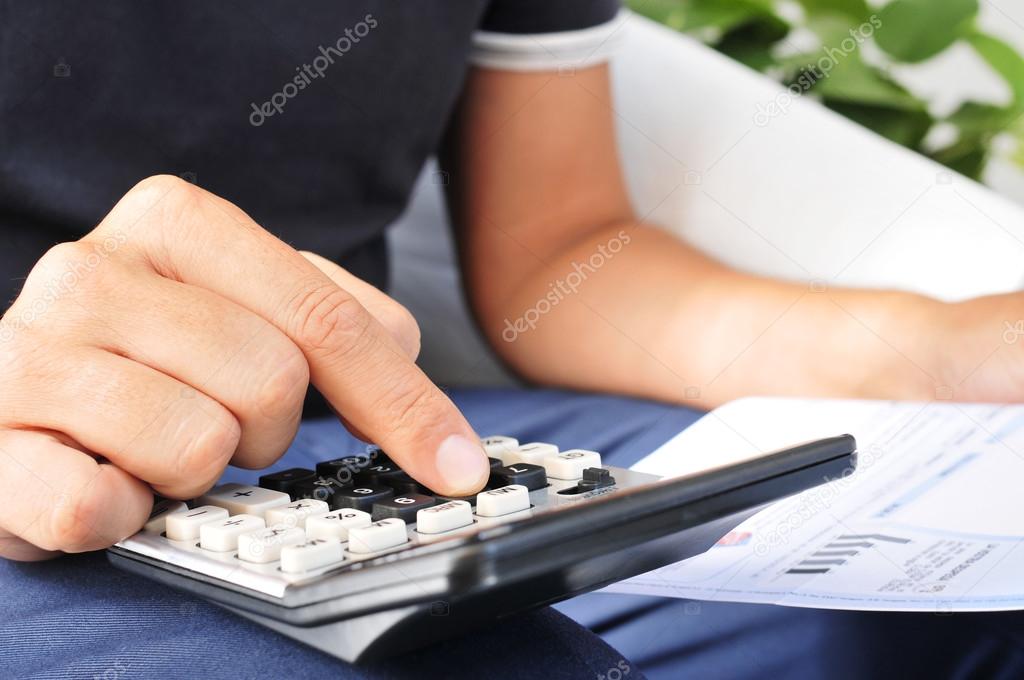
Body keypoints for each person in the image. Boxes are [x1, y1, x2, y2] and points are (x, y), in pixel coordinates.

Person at [2, 2, 1023, 678]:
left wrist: (936, 356)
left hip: (352, 429)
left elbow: (559, 247)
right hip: (35, 479)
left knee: (942, 600)